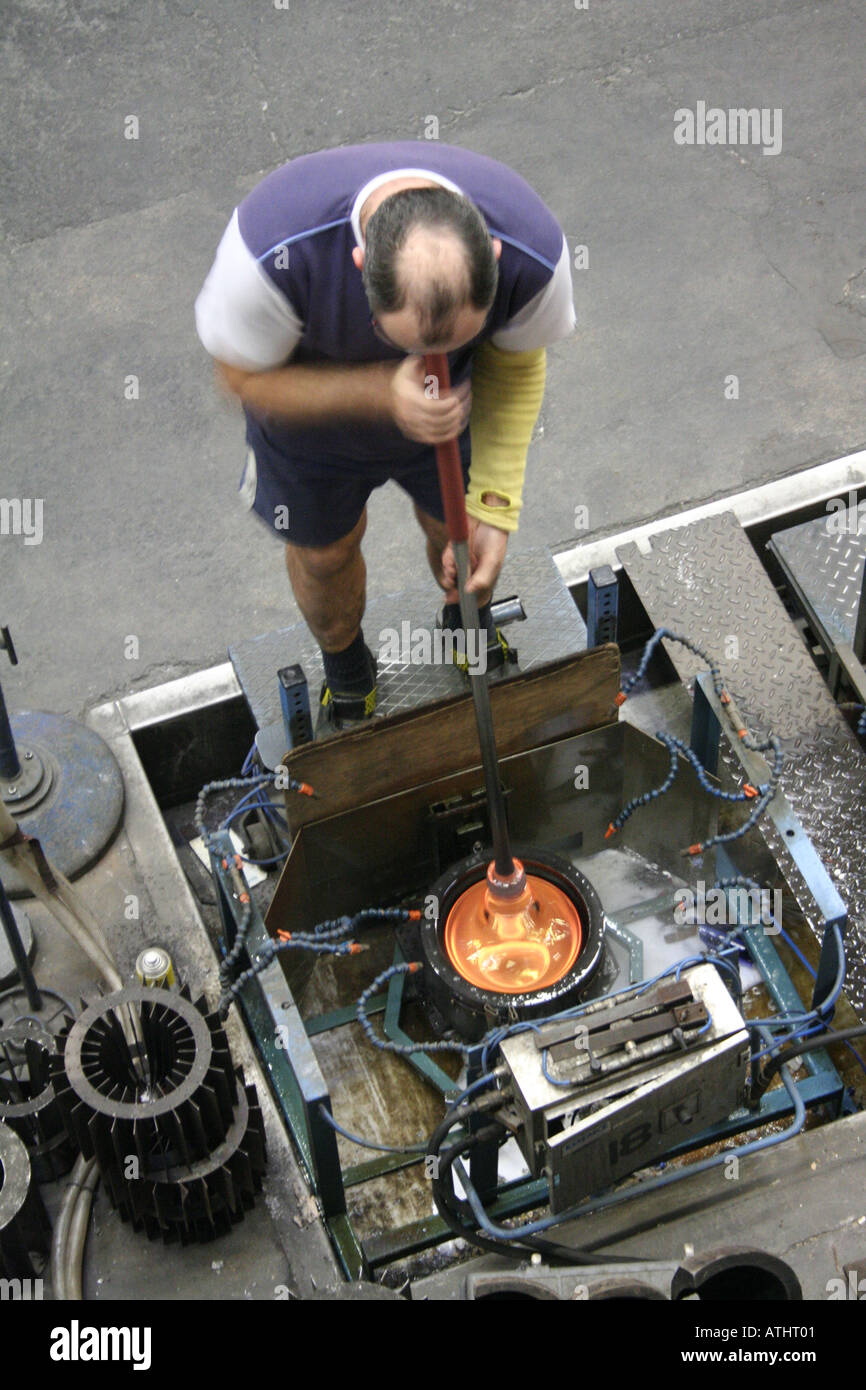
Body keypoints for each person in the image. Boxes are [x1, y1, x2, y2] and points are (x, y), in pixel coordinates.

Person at [195, 141, 575, 724]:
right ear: (358, 264)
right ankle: (347, 668)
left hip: (450, 414)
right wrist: (379, 391)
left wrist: (496, 506)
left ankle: (464, 626)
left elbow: (519, 364)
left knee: (459, 532)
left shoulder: (533, 253)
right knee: (326, 554)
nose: (433, 362)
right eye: (413, 343)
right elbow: (237, 378)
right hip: (312, 420)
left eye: (454, 343)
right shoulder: (271, 253)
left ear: (494, 256)